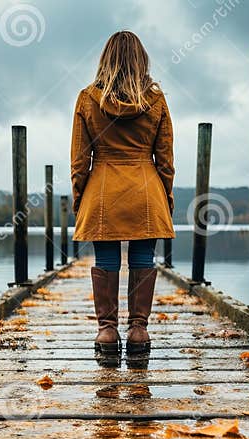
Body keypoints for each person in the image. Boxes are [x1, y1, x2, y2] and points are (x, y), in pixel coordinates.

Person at [70, 30, 175, 354]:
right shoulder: (156, 100)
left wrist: (79, 199)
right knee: (143, 257)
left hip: (103, 189)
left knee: (106, 258)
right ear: (141, 62)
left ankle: (107, 331)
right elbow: (165, 158)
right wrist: (166, 198)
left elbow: (79, 159)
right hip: (145, 189)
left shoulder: (88, 98)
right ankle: (139, 331)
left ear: (105, 61)